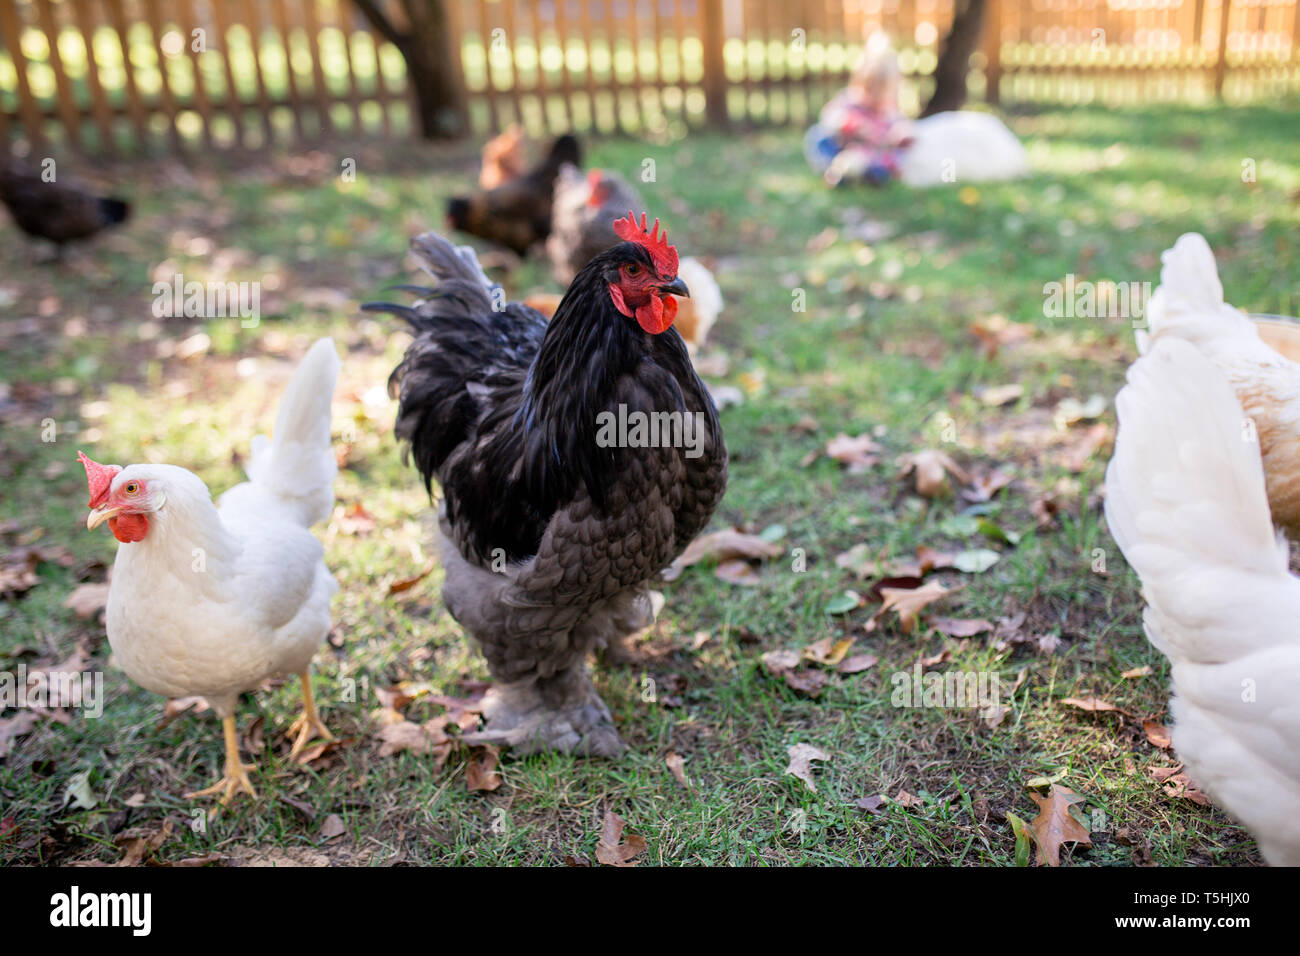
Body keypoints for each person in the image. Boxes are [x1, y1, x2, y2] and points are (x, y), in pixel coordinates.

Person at [806, 33, 914, 187]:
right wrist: (847, 123)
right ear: (858, 83)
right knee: (817, 135)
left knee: (895, 156)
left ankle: (871, 175)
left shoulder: (890, 112)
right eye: (869, 90)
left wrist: (901, 135)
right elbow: (829, 116)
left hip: (872, 155)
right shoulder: (850, 102)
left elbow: (902, 126)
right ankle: (836, 173)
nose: (873, 98)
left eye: (880, 93)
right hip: (844, 150)